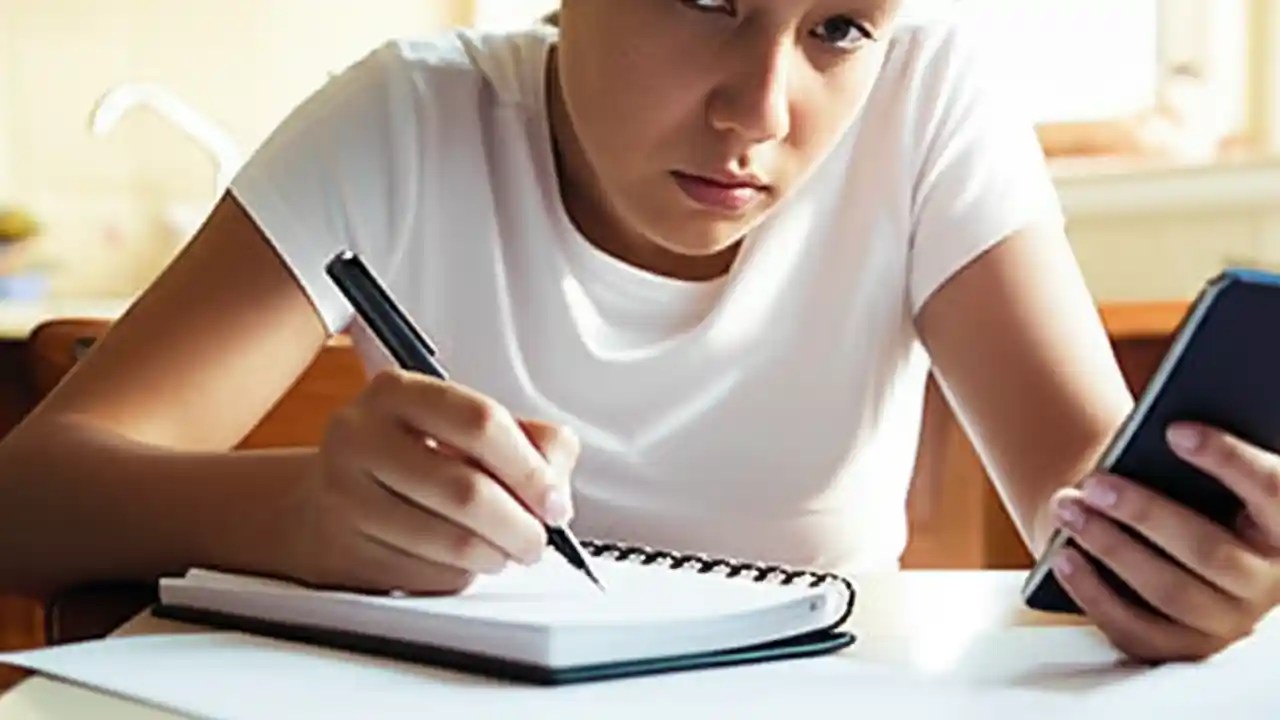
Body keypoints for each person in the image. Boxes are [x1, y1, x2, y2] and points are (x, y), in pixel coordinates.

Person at [1, 0, 1276, 665]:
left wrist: (1189, 574)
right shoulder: (405, 120)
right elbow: (28, 503)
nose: (759, 111)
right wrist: (298, 517)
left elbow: (1090, 510)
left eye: (837, 28)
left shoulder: (926, 101)